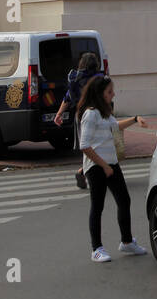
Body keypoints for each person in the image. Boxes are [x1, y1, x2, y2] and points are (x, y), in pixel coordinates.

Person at [77, 75, 148, 262]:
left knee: (124, 200)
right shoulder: (90, 114)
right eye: (109, 92)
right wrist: (104, 166)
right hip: (96, 166)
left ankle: (126, 242)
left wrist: (135, 119)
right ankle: (96, 249)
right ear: (100, 94)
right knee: (97, 206)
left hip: (111, 164)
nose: (113, 94)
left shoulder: (104, 113)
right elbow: (84, 146)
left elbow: (116, 127)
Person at [54, 52, 100, 190]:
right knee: (97, 147)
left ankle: (86, 173)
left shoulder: (74, 78)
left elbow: (67, 97)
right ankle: (84, 172)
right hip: (94, 115)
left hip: (80, 116)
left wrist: (59, 114)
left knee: (88, 148)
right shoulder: (98, 79)